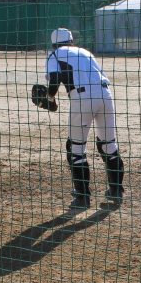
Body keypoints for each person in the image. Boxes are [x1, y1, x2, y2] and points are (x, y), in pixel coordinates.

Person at [43, 27, 125, 210]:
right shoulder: (85, 51)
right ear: (71, 40)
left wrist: (50, 97)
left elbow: (55, 78)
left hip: (82, 100)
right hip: (106, 96)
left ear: (53, 44)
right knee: (108, 144)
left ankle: (82, 197)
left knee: (75, 148)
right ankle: (116, 190)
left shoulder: (55, 55)